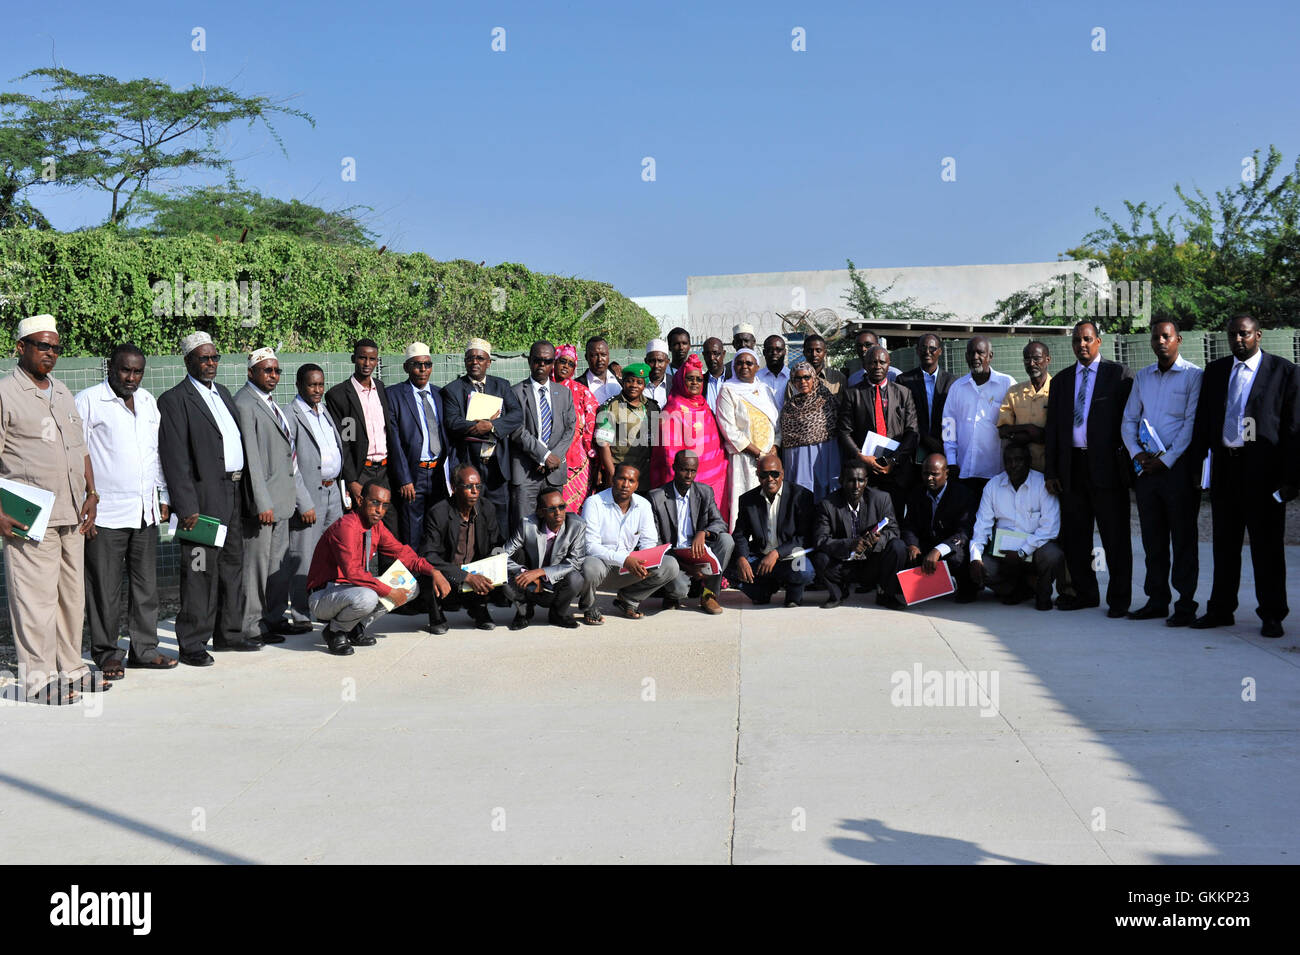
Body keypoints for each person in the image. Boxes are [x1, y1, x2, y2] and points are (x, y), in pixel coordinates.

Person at [0, 315, 99, 703]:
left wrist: (92, 492)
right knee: (34, 601)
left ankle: (71, 670)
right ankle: (37, 682)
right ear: (21, 347)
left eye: (56, 347)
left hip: (72, 514)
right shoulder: (6, 393)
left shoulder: (62, 392)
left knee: (71, 598)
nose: (51, 354)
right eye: (43, 346)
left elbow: (81, 448)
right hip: (29, 518)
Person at [1188, 314, 1300, 638]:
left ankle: (1272, 614)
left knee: (1266, 548)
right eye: (1233, 334)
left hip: (1264, 476)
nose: (1238, 339)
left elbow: (1293, 429)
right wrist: (1199, 467)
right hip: (1225, 469)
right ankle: (1221, 609)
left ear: (1258, 335)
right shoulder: (1217, 371)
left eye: (1244, 334)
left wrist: (1291, 478)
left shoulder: (1284, 372)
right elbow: (1204, 422)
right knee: (1224, 545)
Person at [158, 332, 260, 665]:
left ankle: (228, 635)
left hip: (231, 493)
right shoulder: (175, 400)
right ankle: (192, 643)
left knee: (232, 566)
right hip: (201, 500)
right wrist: (185, 506)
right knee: (199, 569)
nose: (211, 363)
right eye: (204, 358)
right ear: (188, 361)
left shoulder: (224, 394)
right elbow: (175, 458)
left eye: (214, 357)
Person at [76, 343, 174, 679]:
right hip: (105, 514)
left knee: (146, 586)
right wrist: (83, 504)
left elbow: (155, 453)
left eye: (137, 372)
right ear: (110, 368)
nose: (131, 378)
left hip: (144, 512)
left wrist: (162, 495)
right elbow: (77, 455)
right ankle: (107, 653)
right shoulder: (89, 401)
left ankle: (144, 649)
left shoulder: (147, 402)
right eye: (125, 370)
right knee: (105, 588)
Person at [1044, 321, 1135, 616]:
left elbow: (1129, 422)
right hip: (1072, 469)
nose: (1081, 345)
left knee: (1115, 537)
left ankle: (1119, 599)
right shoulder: (1061, 381)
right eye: (1076, 340)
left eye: (1087, 339)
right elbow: (1054, 430)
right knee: (1076, 538)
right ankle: (1085, 593)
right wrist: (1051, 471)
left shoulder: (1118, 376)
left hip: (1108, 469)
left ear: (1098, 341)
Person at [1120, 321, 1203, 626]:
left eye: (1166, 337)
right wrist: (1137, 454)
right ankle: (1156, 600)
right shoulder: (1143, 377)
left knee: (1183, 540)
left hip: (1177, 471)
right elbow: (1129, 420)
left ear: (1178, 340)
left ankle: (1185, 603)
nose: (1161, 342)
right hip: (1146, 471)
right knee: (1153, 541)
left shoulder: (1194, 376)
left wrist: (1166, 460)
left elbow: (1190, 424)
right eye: (1156, 337)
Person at [306, 482, 451, 655]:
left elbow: (403, 553)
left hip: (352, 591)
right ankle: (335, 632)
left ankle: (354, 627)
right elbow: (353, 573)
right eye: (374, 502)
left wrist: (434, 571)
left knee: (410, 586)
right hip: (325, 595)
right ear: (360, 500)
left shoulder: (377, 527)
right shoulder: (346, 527)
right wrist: (388, 591)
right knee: (368, 596)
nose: (379, 510)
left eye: (384, 505)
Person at [235, 347, 304, 643]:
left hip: (282, 501)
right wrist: (262, 501)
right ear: (251, 372)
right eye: (267, 370)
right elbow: (251, 458)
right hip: (263, 505)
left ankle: (273, 618)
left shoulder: (271, 403)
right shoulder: (244, 403)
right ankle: (251, 626)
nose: (273, 376)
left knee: (277, 566)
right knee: (257, 567)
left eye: (276, 371)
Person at [286, 363, 347, 629]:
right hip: (310, 495)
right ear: (299, 385)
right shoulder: (290, 414)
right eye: (312, 385)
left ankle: (327, 607)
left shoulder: (324, 412)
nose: (317, 390)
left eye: (321, 384)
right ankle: (300, 614)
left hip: (333, 490)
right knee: (304, 555)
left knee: (333, 552)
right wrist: (304, 501)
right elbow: (290, 464)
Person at [580, 463, 681, 622]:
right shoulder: (594, 503)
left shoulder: (643, 505)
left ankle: (628, 600)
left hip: (628, 567)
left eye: (631, 481)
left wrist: (644, 560)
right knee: (589, 566)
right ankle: (589, 606)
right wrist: (624, 560)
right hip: (601, 565)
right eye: (622, 479)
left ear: (637, 485)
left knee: (670, 564)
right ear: (613, 479)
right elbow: (590, 546)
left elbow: (649, 541)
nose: (626, 485)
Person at [969, 445, 1066, 610]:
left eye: (1019, 460)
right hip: (1003, 554)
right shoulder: (993, 486)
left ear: (1028, 462)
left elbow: (1050, 528)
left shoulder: (1042, 484)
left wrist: (1022, 552)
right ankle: (1022, 588)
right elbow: (982, 525)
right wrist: (975, 557)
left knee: (1053, 555)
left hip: (1034, 550)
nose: (1013, 465)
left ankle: (1041, 591)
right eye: (1009, 461)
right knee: (982, 568)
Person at [441, 338, 524, 528]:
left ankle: (499, 556)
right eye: (470, 358)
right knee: (470, 518)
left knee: (500, 518)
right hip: (470, 464)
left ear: (489, 362)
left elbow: (516, 415)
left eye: (480, 358)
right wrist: (477, 427)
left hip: (497, 466)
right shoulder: (453, 390)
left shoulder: (502, 386)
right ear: (465, 362)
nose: (475, 362)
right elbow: (452, 421)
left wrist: (492, 426)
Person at [419, 464, 508, 632]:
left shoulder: (486, 507)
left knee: (505, 560)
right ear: (454, 488)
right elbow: (428, 554)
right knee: (429, 572)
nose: (474, 491)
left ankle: (479, 609)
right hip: (449, 574)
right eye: (468, 486)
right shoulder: (439, 512)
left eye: (478, 486)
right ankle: (436, 615)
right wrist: (465, 576)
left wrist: (495, 563)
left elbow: (496, 542)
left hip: (476, 572)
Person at [324, 337, 400, 533]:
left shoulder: (381, 389)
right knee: (358, 529)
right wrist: (352, 481)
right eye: (362, 358)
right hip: (361, 473)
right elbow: (345, 442)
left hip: (384, 471)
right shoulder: (339, 395)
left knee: (390, 528)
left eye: (372, 359)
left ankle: (388, 566)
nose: (367, 364)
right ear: (353, 358)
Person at [837, 345, 918, 517]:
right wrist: (861, 456)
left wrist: (894, 461)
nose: (877, 366)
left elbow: (912, 432)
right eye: (873, 362)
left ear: (889, 364)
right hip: (865, 471)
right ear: (865, 365)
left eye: (882, 362)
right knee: (867, 519)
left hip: (896, 471)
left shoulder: (904, 393)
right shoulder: (852, 394)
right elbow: (844, 432)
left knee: (895, 520)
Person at [813, 461, 907, 609]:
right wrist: (850, 544)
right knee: (820, 557)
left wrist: (878, 540)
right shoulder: (828, 504)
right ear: (841, 481)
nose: (856, 486)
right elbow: (820, 540)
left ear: (866, 481)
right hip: (844, 563)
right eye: (851, 480)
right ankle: (837, 593)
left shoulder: (881, 499)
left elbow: (894, 531)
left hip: (872, 562)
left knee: (898, 547)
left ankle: (886, 594)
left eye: (861, 480)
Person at [385, 342, 452, 550]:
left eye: (427, 364)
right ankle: (413, 578)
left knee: (438, 529)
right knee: (412, 532)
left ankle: (435, 575)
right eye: (417, 365)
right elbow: (394, 441)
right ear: (406, 367)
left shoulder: (441, 395)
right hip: (414, 475)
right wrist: (404, 478)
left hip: (440, 474)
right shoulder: (395, 395)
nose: (423, 370)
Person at [649, 449, 733, 614]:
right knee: (679, 589)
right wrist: (685, 566)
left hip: (697, 551)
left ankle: (709, 595)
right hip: (673, 556)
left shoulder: (704, 492)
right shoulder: (657, 497)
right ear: (674, 467)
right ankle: (671, 594)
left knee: (726, 540)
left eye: (693, 471)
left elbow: (719, 523)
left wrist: (704, 533)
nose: (688, 475)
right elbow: (656, 543)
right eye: (684, 469)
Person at [730, 453, 815, 607]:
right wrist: (742, 558)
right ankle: (763, 591)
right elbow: (740, 534)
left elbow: (804, 536)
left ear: (782, 474)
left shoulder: (801, 496)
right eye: (764, 474)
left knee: (804, 570)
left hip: (789, 557)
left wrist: (776, 553)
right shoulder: (747, 500)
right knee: (730, 566)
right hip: (761, 558)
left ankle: (793, 593)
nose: (770, 479)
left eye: (774, 474)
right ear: (757, 475)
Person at [650, 354, 729, 519]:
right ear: (680, 380)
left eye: (699, 379)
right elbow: (668, 454)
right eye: (690, 378)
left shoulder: (704, 405)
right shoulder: (672, 410)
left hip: (711, 478)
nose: (695, 383)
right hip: (684, 480)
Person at [510, 340, 576, 530]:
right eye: (537, 360)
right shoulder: (515, 393)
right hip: (526, 472)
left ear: (553, 363)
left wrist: (554, 458)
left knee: (554, 526)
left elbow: (570, 428)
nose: (542, 365)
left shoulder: (564, 393)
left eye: (547, 361)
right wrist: (544, 456)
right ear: (530, 361)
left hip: (554, 473)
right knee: (524, 528)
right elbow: (517, 430)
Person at [943, 336, 1016, 501]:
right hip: (964, 471)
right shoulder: (957, 388)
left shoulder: (1007, 383)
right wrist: (952, 461)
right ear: (966, 357)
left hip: (996, 473)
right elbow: (948, 426)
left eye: (980, 353)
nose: (975, 357)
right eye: (971, 353)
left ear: (990, 356)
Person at [501, 488, 586, 630]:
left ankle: (558, 614)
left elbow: (575, 562)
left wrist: (541, 572)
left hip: (557, 581)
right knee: (502, 575)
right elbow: (503, 555)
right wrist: (524, 572)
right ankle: (524, 612)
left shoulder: (577, 525)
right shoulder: (528, 525)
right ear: (541, 512)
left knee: (576, 578)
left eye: (561, 507)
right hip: (529, 583)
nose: (558, 512)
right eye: (552, 509)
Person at [716, 348, 781, 529]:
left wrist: (774, 448)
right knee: (745, 502)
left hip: (770, 459)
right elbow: (729, 429)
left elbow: (776, 424)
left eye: (749, 363)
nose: (744, 366)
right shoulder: (727, 389)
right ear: (734, 366)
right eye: (739, 363)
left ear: (757, 367)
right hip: (744, 458)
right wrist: (759, 454)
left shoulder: (765, 389)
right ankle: (744, 547)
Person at [900, 453, 978, 603]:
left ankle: (966, 588)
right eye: (925, 473)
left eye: (934, 474)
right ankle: (921, 587)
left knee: (958, 557)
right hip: (925, 544)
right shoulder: (916, 493)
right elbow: (909, 524)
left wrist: (939, 550)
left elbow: (964, 532)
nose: (929, 478)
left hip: (949, 545)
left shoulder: (963, 495)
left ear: (946, 473)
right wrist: (912, 545)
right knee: (904, 551)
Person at [594, 363, 659, 495]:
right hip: (622, 477)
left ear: (644, 385)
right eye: (630, 381)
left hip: (647, 477)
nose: (634, 385)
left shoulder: (652, 407)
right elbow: (603, 445)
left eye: (639, 382)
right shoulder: (610, 407)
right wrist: (612, 475)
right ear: (623, 382)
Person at [780, 360, 841, 501]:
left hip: (826, 455)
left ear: (814, 378)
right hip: (797, 460)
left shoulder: (827, 401)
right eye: (798, 378)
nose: (803, 381)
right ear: (792, 381)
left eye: (807, 377)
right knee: (801, 498)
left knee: (826, 497)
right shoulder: (789, 408)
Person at [552, 344, 600, 513]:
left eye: (570, 363)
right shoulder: (542, 389)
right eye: (562, 361)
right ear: (554, 362)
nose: (566, 366)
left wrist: (592, 456)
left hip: (578, 462)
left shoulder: (582, 392)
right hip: (548, 459)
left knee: (578, 511)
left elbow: (592, 425)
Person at [997, 341, 1053, 473]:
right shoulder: (1014, 392)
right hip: (1022, 471)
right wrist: (1029, 429)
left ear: (1047, 359)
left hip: (1050, 469)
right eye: (1027, 359)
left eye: (1036, 358)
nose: (1032, 363)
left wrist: (1019, 433)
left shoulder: (1058, 389)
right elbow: (1003, 431)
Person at [896, 334, 954, 459]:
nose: (927, 352)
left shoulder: (952, 382)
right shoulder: (903, 380)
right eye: (923, 348)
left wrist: (945, 444)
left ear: (940, 351)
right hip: (912, 448)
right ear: (917, 351)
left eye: (932, 348)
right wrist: (925, 439)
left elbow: (953, 417)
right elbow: (901, 418)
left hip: (943, 448)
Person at [582, 335, 623, 404]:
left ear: (608, 355)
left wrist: (623, 414)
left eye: (603, 355)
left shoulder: (620, 377)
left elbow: (624, 407)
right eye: (594, 355)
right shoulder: (580, 385)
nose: (600, 359)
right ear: (586, 357)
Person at [757, 335, 790, 412]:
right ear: (764, 352)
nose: (774, 353)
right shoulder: (756, 378)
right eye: (770, 349)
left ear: (785, 352)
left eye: (778, 350)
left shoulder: (792, 377)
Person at [702, 337, 728, 412]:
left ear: (723, 354)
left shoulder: (733, 379)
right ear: (703, 355)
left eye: (716, 353)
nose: (712, 358)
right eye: (707, 354)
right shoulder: (699, 383)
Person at [644, 338, 672, 407]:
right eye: (652, 361)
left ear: (667, 362)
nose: (656, 366)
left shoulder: (675, 384)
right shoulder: (636, 384)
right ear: (646, 361)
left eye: (660, 361)